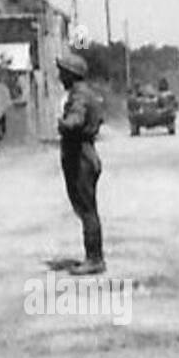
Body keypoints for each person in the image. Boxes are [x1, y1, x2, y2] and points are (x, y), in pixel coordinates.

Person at [56, 50, 104, 274]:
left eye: (62, 73)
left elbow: (76, 119)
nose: (59, 77)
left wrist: (65, 124)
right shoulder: (85, 93)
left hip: (80, 153)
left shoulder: (79, 96)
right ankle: (93, 256)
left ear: (71, 75)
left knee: (87, 209)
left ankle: (94, 258)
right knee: (86, 208)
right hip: (83, 152)